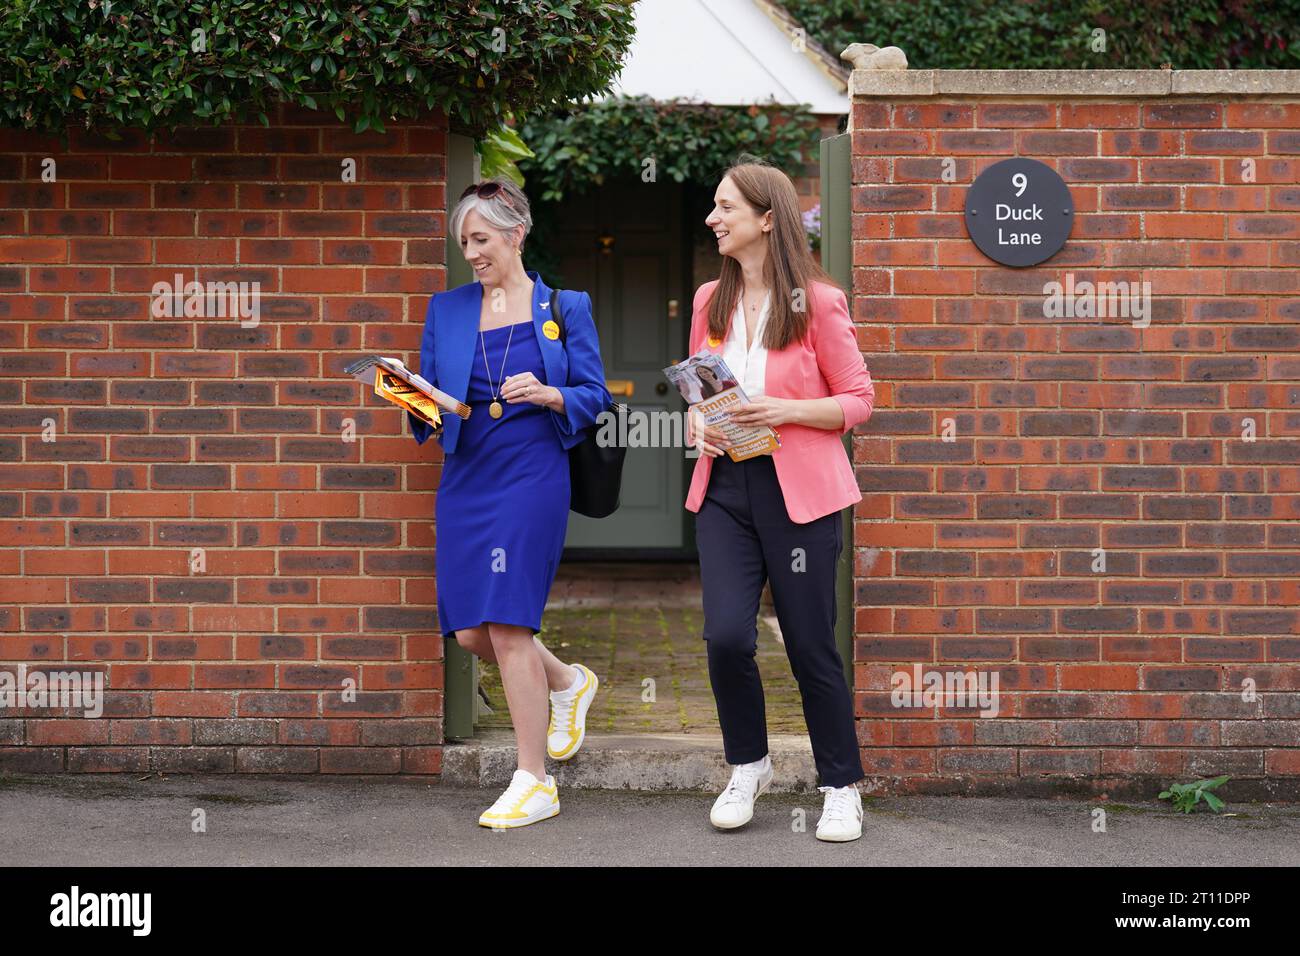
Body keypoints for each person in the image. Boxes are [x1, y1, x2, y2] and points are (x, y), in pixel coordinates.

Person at [408, 177, 611, 829]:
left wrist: (551, 394)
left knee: (507, 624)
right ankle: (567, 683)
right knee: (471, 631)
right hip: (467, 478)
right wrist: (414, 398)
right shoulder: (447, 310)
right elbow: (433, 408)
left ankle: (534, 779)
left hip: (531, 475)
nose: (471, 251)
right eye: (464, 241)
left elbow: (595, 394)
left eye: (482, 239)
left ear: (516, 234)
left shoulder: (565, 306)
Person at [685, 159, 876, 842]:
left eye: (726, 207)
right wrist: (696, 422)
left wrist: (786, 410)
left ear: (768, 218)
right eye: (714, 206)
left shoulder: (818, 302)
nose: (714, 218)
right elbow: (700, 392)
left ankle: (840, 786)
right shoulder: (711, 299)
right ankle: (749, 763)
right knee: (727, 637)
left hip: (800, 495)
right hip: (726, 491)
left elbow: (858, 401)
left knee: (809, 645)